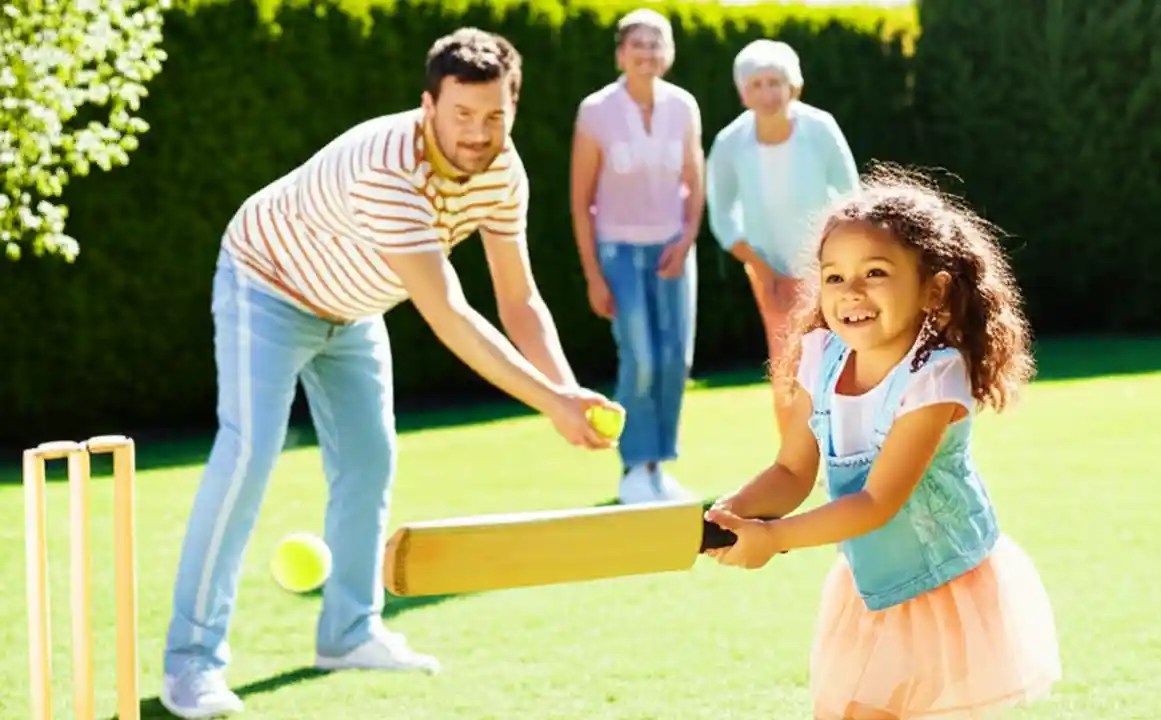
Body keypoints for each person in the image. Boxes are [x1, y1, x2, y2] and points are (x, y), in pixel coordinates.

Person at [160, 28, 621, 719]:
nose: (478, 132)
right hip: (268, 281)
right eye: (462, 115)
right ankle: (190, 665)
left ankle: (348, 633)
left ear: (513, 109)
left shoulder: (502, 170)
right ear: (428, 105)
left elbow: (519, 299)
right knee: (249, 453)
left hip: (355, 306)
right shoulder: (388, 168)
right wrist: (548, 402)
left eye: (495, 115)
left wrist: (566, 392)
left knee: (370, 462)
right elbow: (450, 313)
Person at [703, 164, 1061, 720]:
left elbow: (876, 502)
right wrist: (728, 515)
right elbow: (792, 471)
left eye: (875, 273)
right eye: (834, 277)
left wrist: (773, 539)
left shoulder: (934, 376)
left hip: (941, 587)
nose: (853, 293)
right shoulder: (822, 357)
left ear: (932, 289)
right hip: (870, 584)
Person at [569, 8, 705, 504]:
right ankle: (633, 468)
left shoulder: (684, 106)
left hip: (672, 248)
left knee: (675, 360)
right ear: (621, 54)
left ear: (668, 53)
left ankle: (659, 466)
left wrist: (686, 238)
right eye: (637, 43)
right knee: (642, 358)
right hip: (618, 250)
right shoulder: (596, 110)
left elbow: (694, 180)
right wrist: (593, 276)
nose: (647, 52)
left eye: (657, 43)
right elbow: (580, 199)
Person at [705, 39, 859, 437]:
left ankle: (845, 452)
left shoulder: (820, 127)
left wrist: (824, 265)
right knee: (785, 362)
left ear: (794, 85)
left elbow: (849, 196)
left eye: (775, 82)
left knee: (840, 354)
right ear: (743, 92)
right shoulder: (729, 142)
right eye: (756, 84)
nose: (767, 93)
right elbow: (722, 215)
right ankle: (794, 462)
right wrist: (762, 269)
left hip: (827, 267)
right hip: (766, 270)